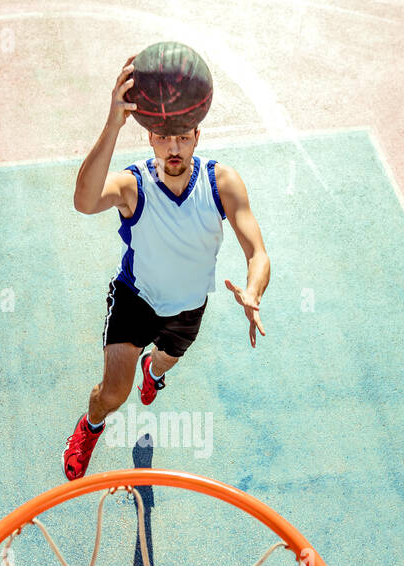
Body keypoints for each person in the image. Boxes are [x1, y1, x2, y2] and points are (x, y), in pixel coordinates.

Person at [65, 55, 270, 480]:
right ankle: (91, 425)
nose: (173, 148)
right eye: (162, 137)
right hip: (136, 301)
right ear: (150, 140)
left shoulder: (221, 183)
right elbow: (84, 201)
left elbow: (257, 253)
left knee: (160, 365)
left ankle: (152, 371)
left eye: (181, 137)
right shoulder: (133, 184)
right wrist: (112, 124)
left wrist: (253, 290)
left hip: (188, 309)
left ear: (197, 134)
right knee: (114, 394)